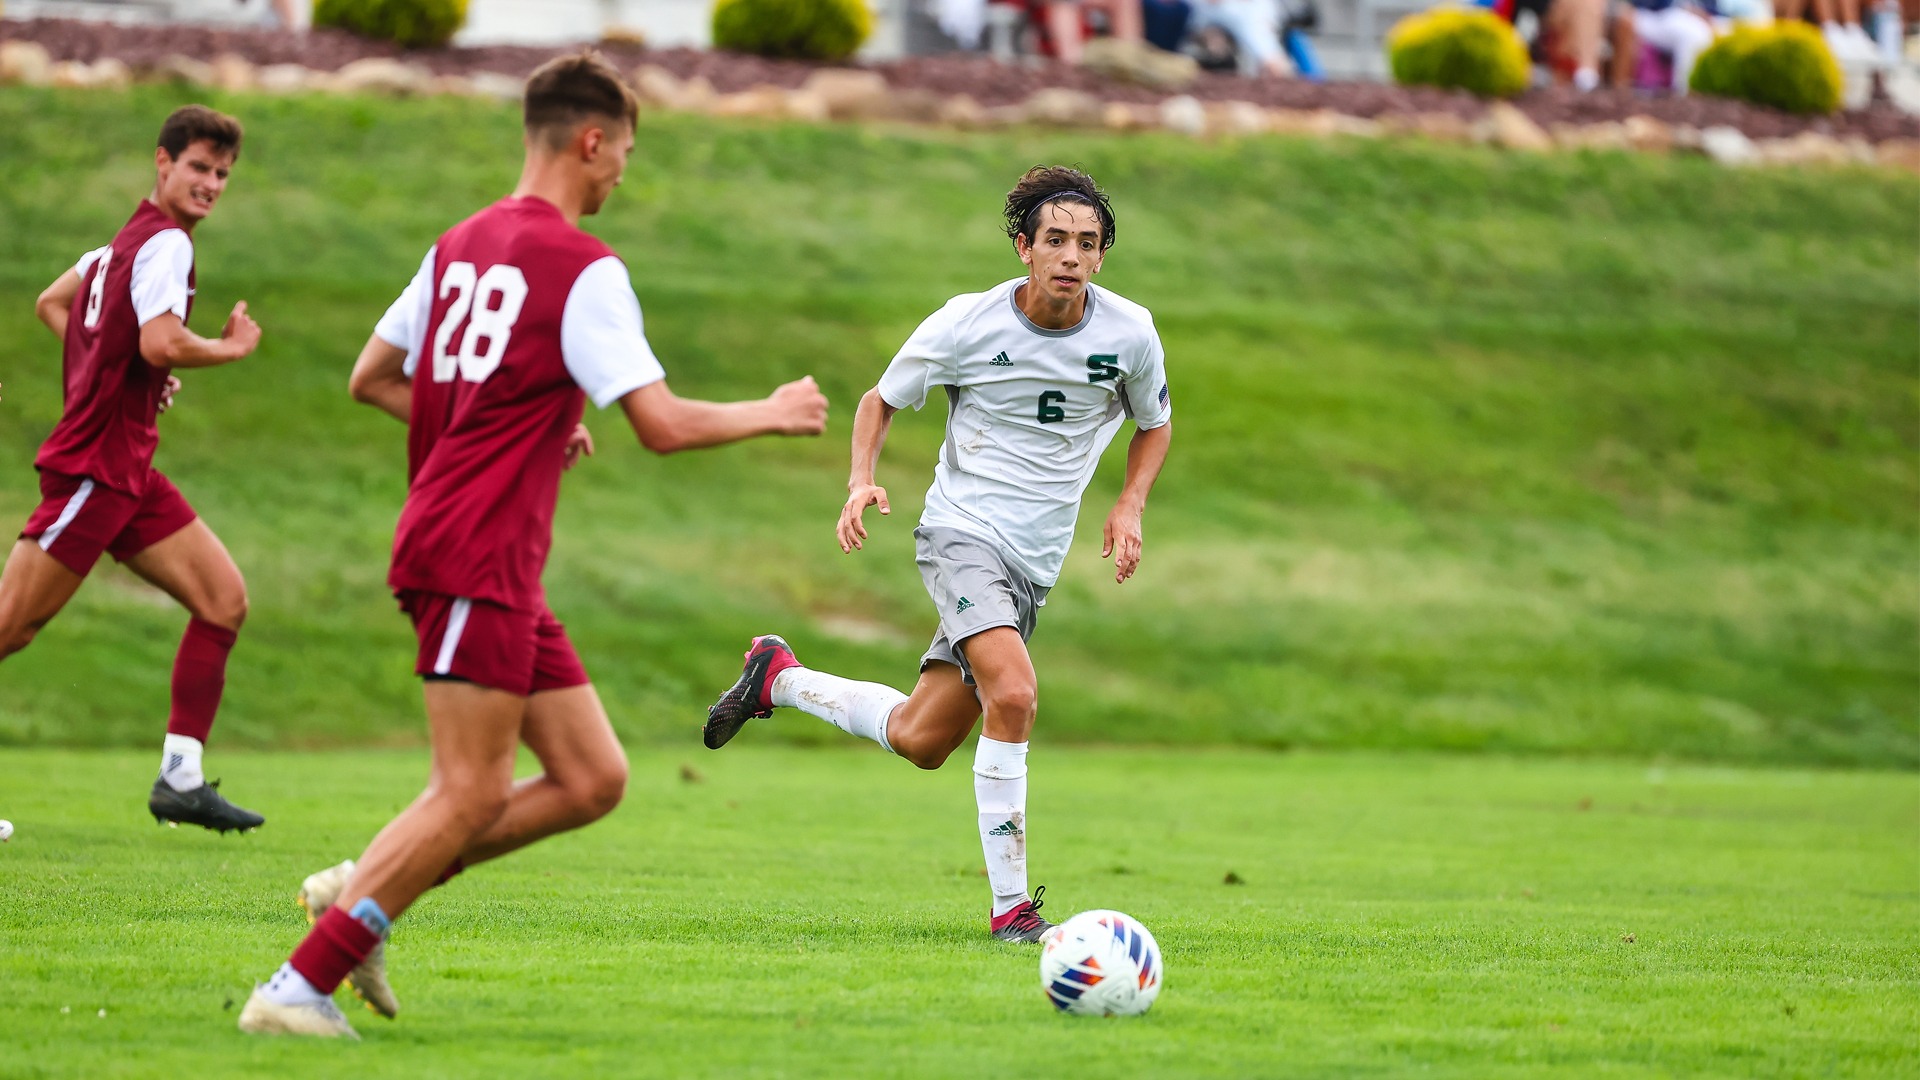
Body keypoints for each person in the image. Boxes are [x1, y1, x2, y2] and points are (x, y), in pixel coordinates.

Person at [237, 50, 829, 1038]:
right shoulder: (583, 268)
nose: (621, 177)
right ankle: (300, 986)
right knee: (466, 791)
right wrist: (770, 410)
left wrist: (521, 423)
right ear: (590, 140)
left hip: (480, 552)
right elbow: (663, 424)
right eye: (623, 156)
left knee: (593, 777)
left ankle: (370, 890)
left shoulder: (457, 243)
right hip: (473, 552)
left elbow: (372, 376)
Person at [702, 166, 1173, 946]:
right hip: (962, 534)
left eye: (1088, 244)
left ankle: (779, 679)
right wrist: (860, 481)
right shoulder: (967, 323)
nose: (1071, 257)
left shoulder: (1131, 333)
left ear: (1101, 257)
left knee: (924, 739)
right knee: (1014, 696)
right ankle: (1014, 911)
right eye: (1055, 239)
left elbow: (1153, 421)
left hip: (1033, 564)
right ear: (1024, 247)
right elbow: (878, 400)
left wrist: (1130, 503)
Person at [0, 106, 265, 833]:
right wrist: (227, 348)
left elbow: (53, 303)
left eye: (222, 173)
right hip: (93, 469)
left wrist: (109, 364)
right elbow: (161, 343)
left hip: (127, 471)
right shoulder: (167, 246)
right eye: (199, 167)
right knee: (8, 629)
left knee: (222, 600)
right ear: (162, 162)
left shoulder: (114, 249)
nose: (211, 183)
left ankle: (180, 778)